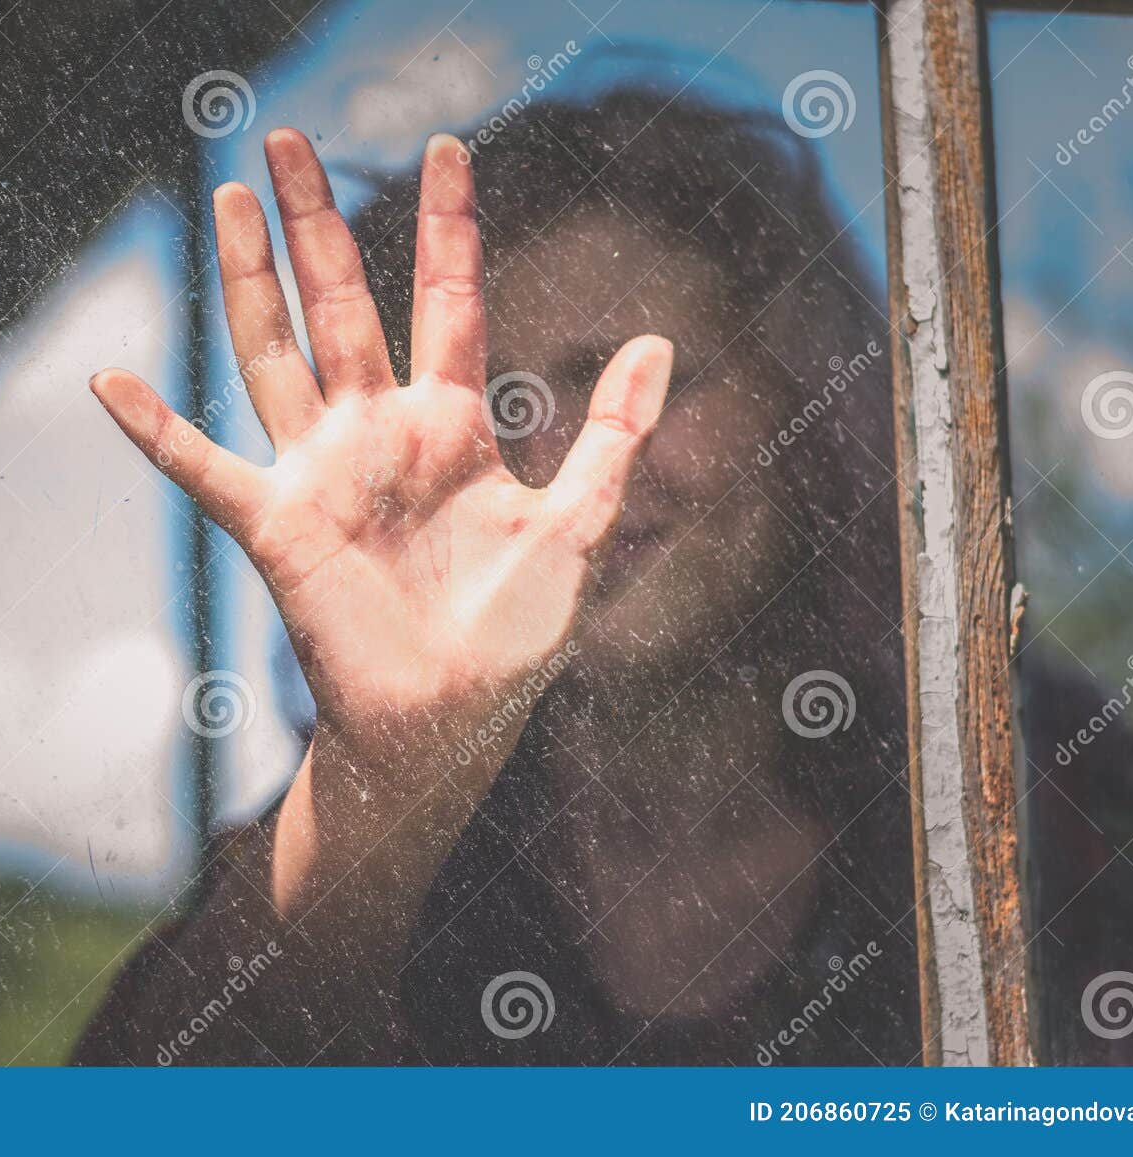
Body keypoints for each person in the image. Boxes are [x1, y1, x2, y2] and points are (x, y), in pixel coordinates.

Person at [73, 90, 919, 1065]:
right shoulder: (376, 843)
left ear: (800, 403)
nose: (568, 456)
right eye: (498, 402)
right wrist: (381, 796)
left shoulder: (1035, 797)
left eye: (639, 377)